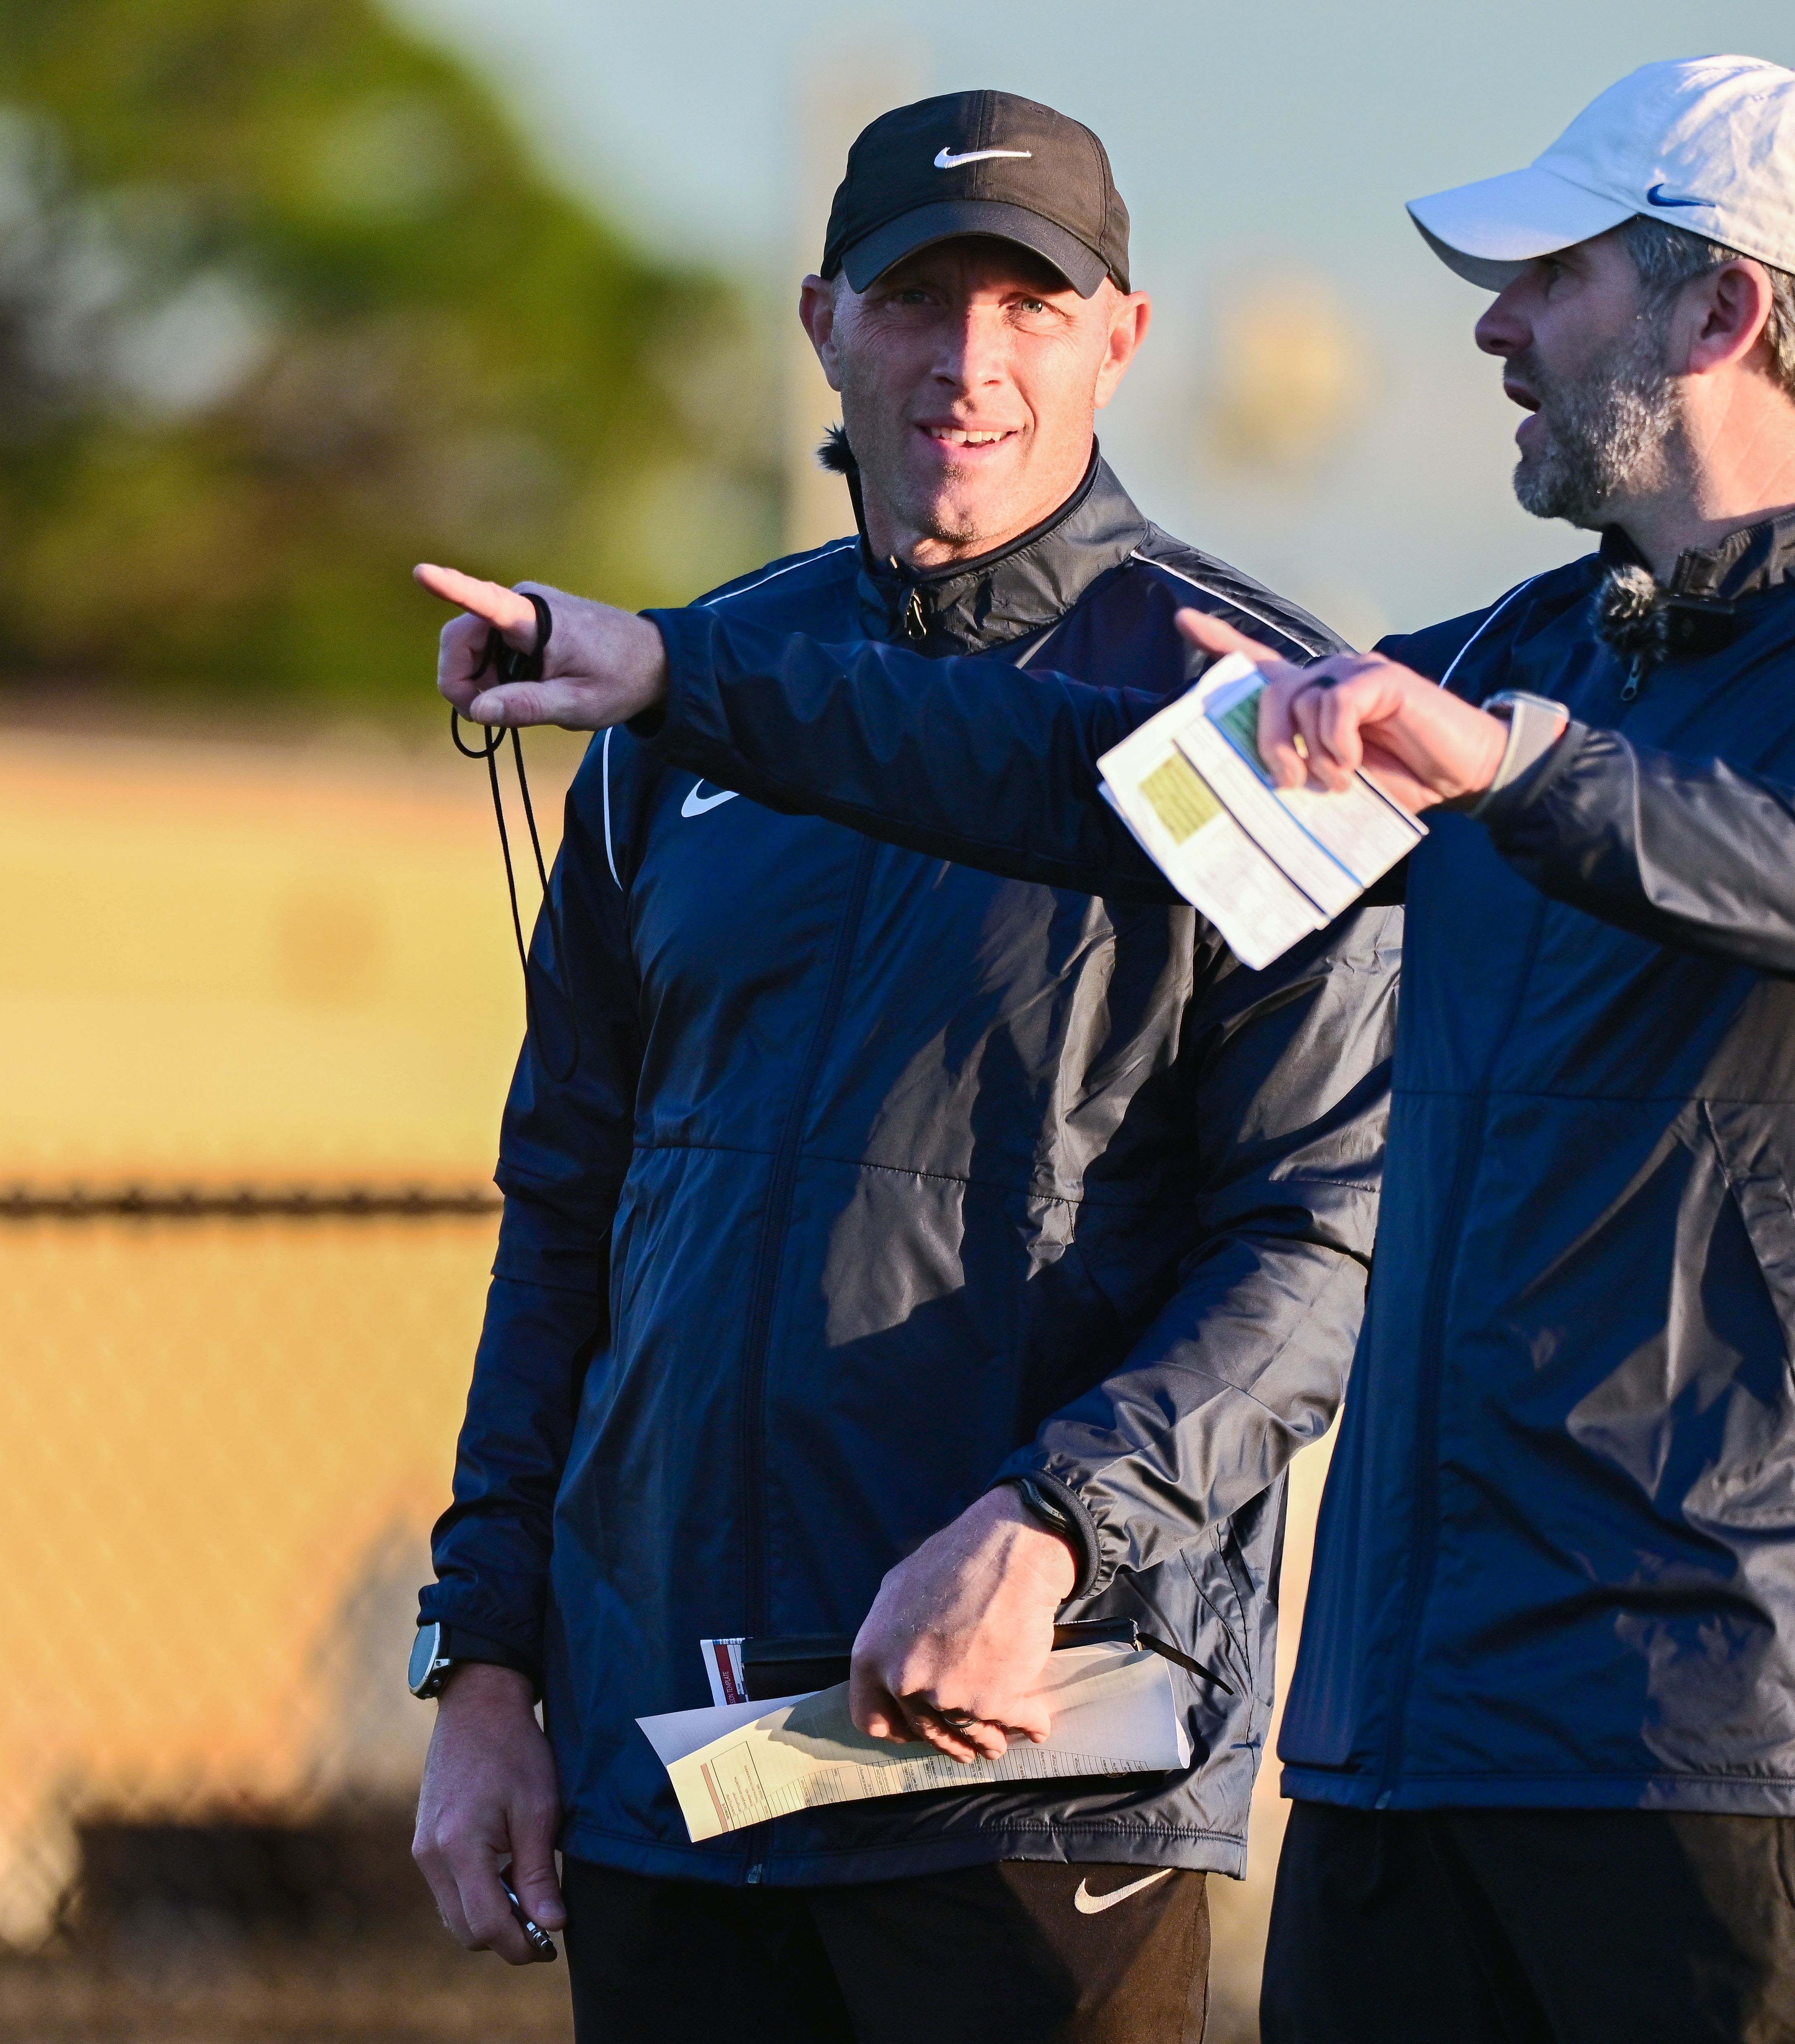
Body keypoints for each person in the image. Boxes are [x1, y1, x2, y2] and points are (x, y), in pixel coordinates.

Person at [430, 54, 1795, 2044]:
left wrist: (1513, 773)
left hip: (1737, 1743)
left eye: (1552, 278)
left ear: (1723, 308)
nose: (1493, 323)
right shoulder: (1492, 659)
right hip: (1398, 1744)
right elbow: (1087, 780)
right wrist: (674, 672)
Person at [404, 89, 1396, 2044]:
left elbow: (1327, 1250)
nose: (970, 360)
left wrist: (1050, 1522)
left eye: (1031, 306)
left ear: (1121, 335)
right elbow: (563, 1220)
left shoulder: (1258, 719)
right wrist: (491, 1661)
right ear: (821, 320)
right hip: (665, 1769)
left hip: (1031, 1751)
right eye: (919, 298)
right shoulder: (675, 695)